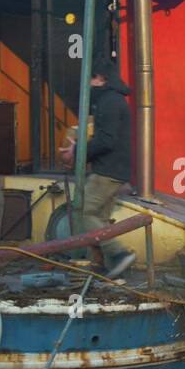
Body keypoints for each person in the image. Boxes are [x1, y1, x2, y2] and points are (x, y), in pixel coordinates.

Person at [59, 59, 136, 279]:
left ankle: (119, 255)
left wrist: (78, 151)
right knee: (100, 218)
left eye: (91, 78)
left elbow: (106, 140)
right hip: (116, 169)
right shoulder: (116, 100)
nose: (88, 83)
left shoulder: (108, 102)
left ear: (101, 78)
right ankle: (105, 265)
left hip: (107, 170)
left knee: (86, 212)